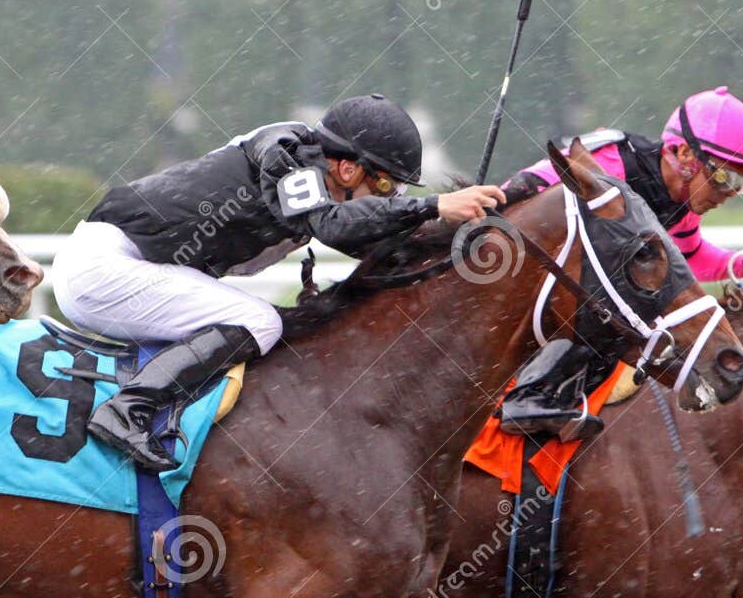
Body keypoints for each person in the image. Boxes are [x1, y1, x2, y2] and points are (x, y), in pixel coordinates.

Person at [53, 93, 504, 472]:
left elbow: (380, 247)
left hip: (137, 268)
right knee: (261, 321)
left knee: (270, 322)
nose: (395, 199)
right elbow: (333, 225)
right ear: (348, 170)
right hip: (105, 269)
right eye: (388, 187)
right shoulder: (286, 154)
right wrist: (433, 206)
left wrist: (463, 239)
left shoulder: (315, 181)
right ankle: (128, 409)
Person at [497, 85, 743, 437]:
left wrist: (740, 264)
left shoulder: (682, 206)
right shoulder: (613, 164)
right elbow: (529, 191)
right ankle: (530, 397)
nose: (729, 194)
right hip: (525, 279)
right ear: (685, 154)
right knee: (604, 312)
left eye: (741, 185)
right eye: (724, 178)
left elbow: (690, 256)